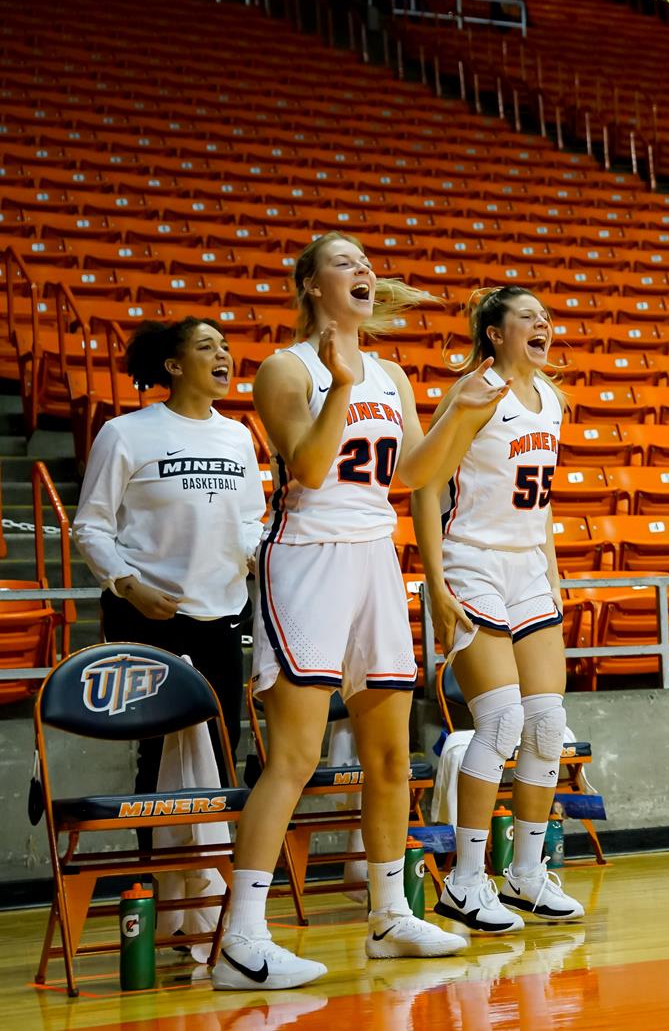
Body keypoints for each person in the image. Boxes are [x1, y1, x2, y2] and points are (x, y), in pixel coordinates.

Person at [214, 233, 506, 991]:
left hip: (376, 554)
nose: (364, 270)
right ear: (311, 286)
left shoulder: (391, 372)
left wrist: (461, 415)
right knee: (295, 757)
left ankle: (389, 916)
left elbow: (414, 473)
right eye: (344, 262)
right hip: (309, 557)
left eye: (366, 262)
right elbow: (309, 470)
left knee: (389, 757)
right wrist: (341, 384)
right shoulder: (286, 368)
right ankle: (241, 940)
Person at [414, 286, 585, 932]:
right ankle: (465, 882)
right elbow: (425, 486)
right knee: (501, 720)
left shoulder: (552, 399)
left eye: (546, 316)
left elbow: (541, 499)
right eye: (527, 317)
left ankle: (526, 875)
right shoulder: (476, 392)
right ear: (494, 333)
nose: (543, 323)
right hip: (471, 561)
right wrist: (435, 584)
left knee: (547, 723)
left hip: (527, 567)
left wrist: (552, 570)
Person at [73, 318, 263, 825]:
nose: (223, 355)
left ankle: (213, 866)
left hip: (222, 614)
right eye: (207, 347)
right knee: (157, 754)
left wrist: (258, 553)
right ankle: (155, 867)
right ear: (175, 366)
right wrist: (128, 586)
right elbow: (91, 525)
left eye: (225, 345)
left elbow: (249, 520)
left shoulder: (238, 437)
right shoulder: (125, 433)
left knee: (221, 746)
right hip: (148, 613)